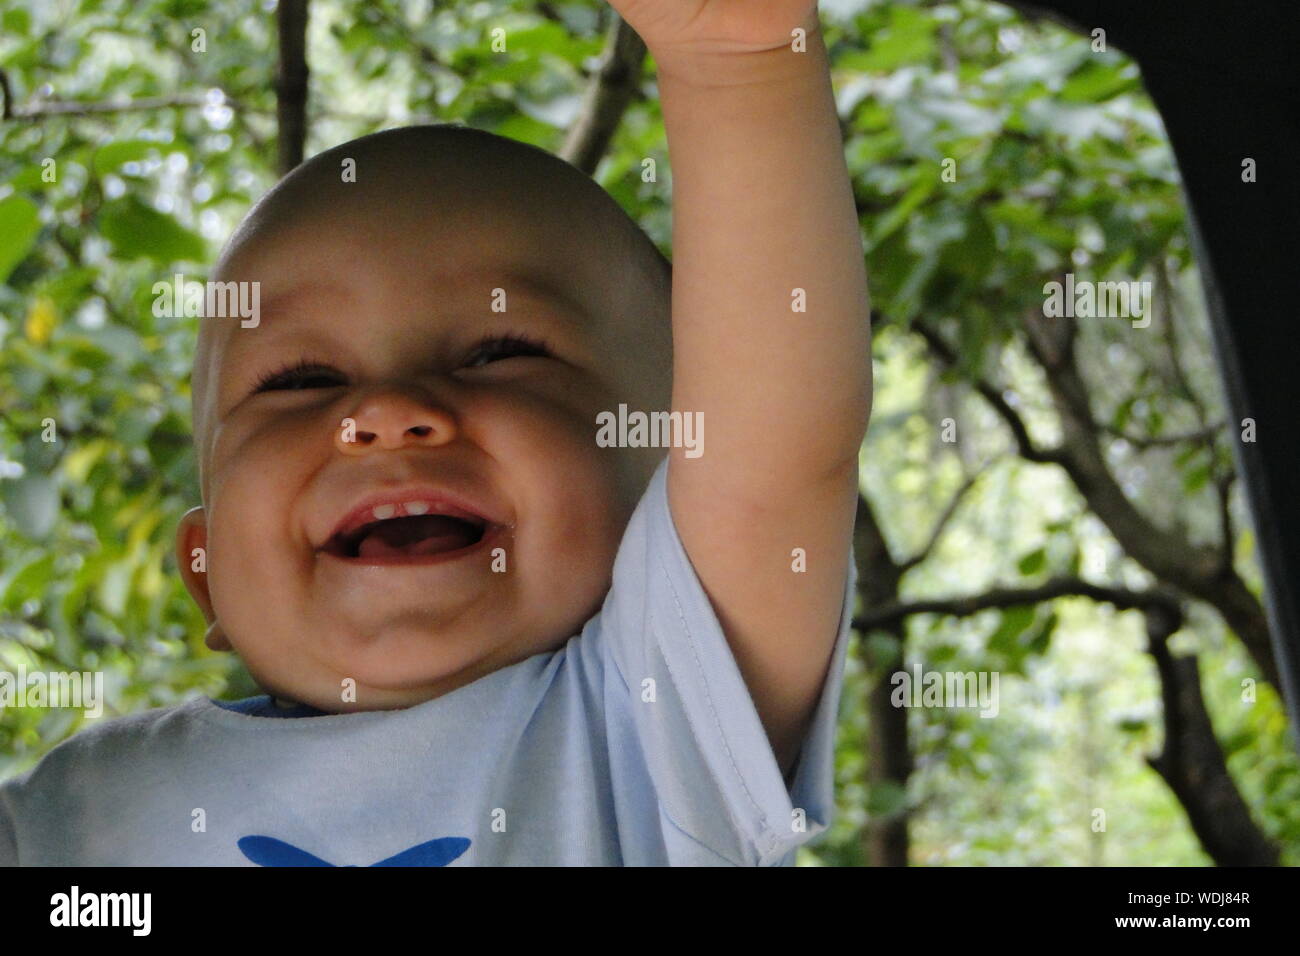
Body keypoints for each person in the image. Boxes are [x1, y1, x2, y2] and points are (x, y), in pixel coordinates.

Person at [0, 0, 871, 866]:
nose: (382, 414)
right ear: (206, 570)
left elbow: (770, 464)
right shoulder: (66, 815)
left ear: (669, 502)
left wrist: (739, 55)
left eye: (502, 354)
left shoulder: (647, 733)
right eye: (301, 380)